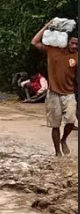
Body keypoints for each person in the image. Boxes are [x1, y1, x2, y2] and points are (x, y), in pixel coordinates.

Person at [31, 21, 79, 156]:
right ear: (66, 41)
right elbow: (34, 42)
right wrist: (47, 25)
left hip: (69, 93)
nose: (75, 46)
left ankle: (64, 140)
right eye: (73, 43)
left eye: (77, 44)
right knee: (55, 125)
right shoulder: (53, 51)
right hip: (53, 93)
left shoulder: (77, 56)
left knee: (71, 121)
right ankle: (57, 151)